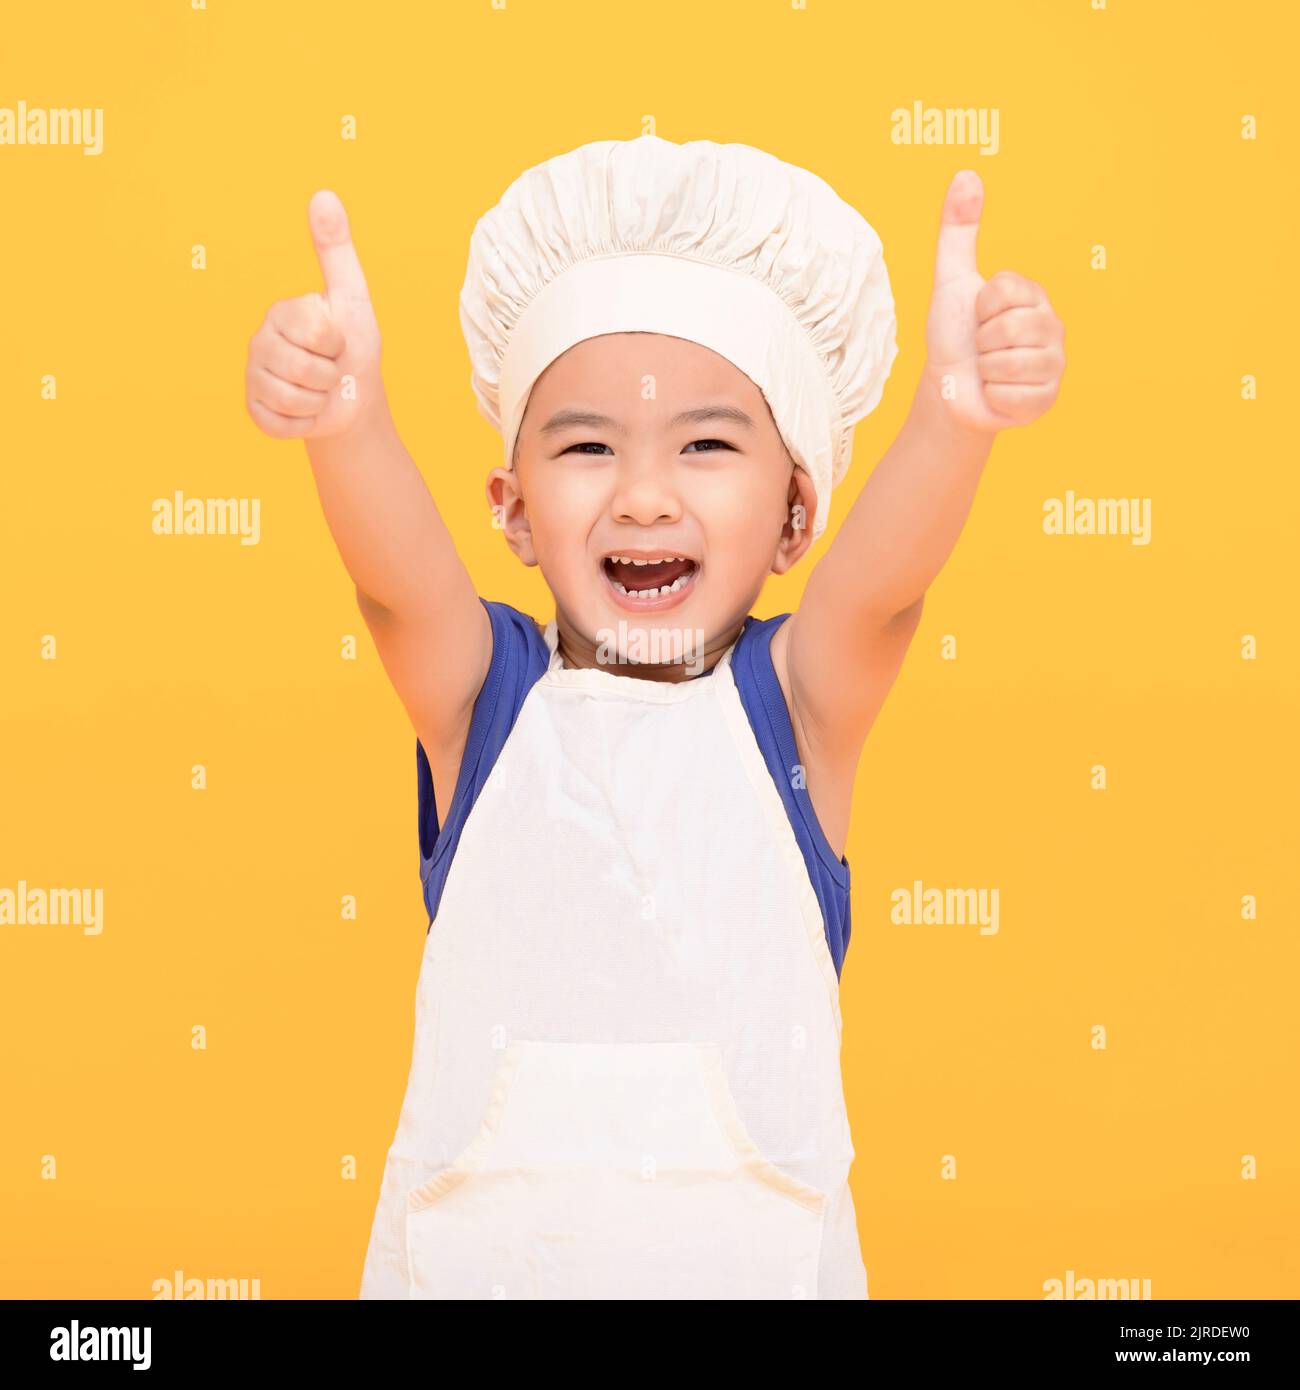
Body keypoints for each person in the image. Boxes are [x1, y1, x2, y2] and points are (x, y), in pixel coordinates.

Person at [244, 135, 1065, 1299]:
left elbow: (880, 589)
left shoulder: (794, 713)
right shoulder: (486, 702)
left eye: (706, 445)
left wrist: (953, 420)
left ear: (796, 516)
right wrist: (346, 424)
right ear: (512, 510)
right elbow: (395, 584)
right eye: (587, 445)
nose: (641, 494)